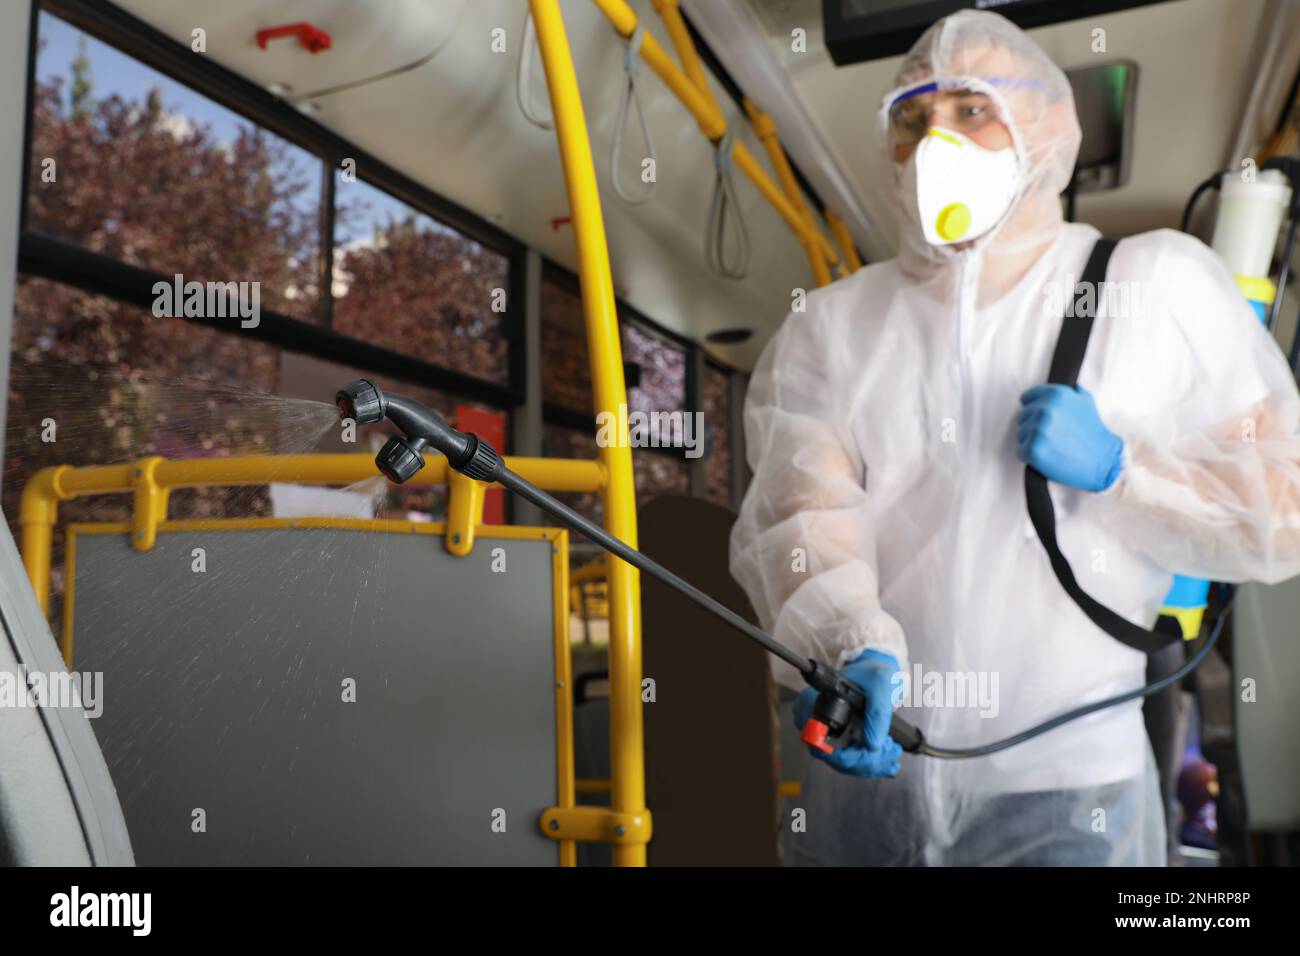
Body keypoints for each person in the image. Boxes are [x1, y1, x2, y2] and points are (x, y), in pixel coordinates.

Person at [729, 8, 1300, 865]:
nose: (934, 141)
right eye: (911, 120)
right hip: (871, 776)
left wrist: (1122, 472)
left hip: (1069, 788)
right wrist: (849, 645)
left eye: (970, 110)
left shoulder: (1153, 286)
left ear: (1045, 126)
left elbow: (1281, 505)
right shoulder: (835, 329)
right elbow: (802, 527)